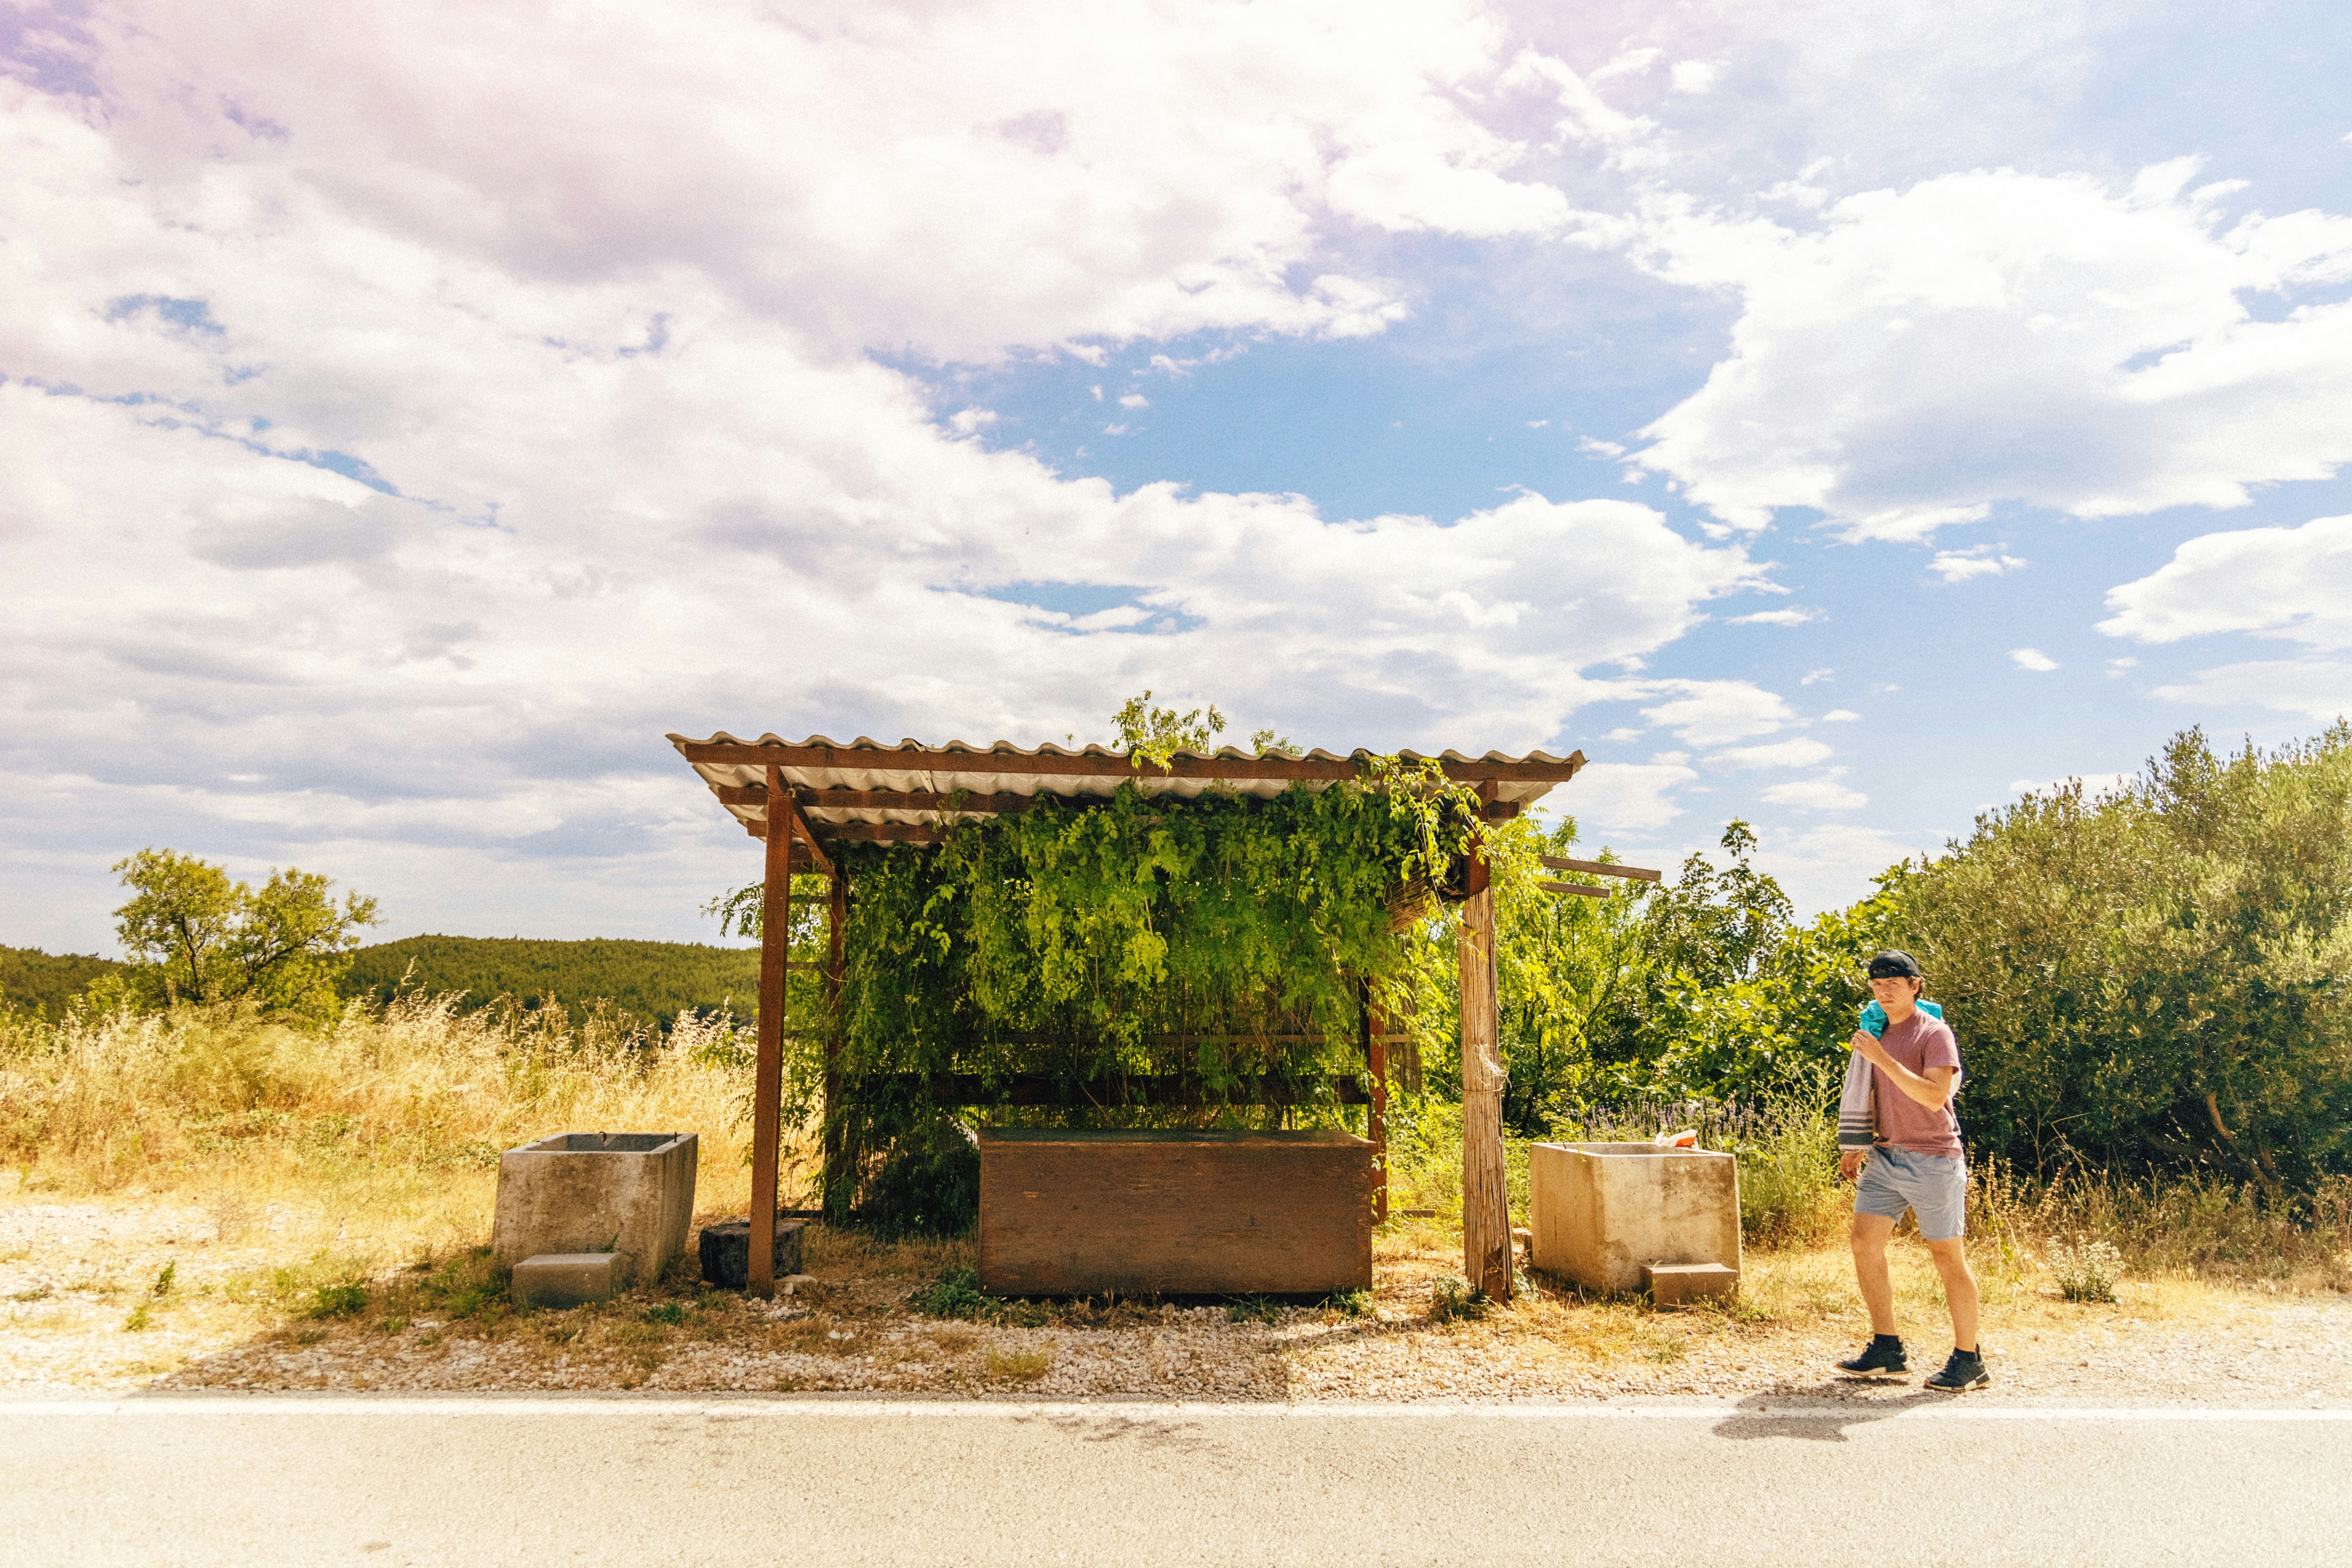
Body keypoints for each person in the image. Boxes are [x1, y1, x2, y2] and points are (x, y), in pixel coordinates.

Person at [1834, 948, 1988, 1392]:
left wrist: (1881, 1057)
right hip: (1885, 1156)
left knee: (1947, 1259)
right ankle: (1887, 1349)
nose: (1883, 992)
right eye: (1877, 985)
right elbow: (1874, 1092)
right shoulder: (1876, 1029)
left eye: (1893, 985)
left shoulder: (1934, 1034)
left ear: (1915, 986)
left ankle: (1968, 1359)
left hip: (1934, 1160)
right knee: (1864, 1244)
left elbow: (1932, 1096)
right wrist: (1857, 1145)